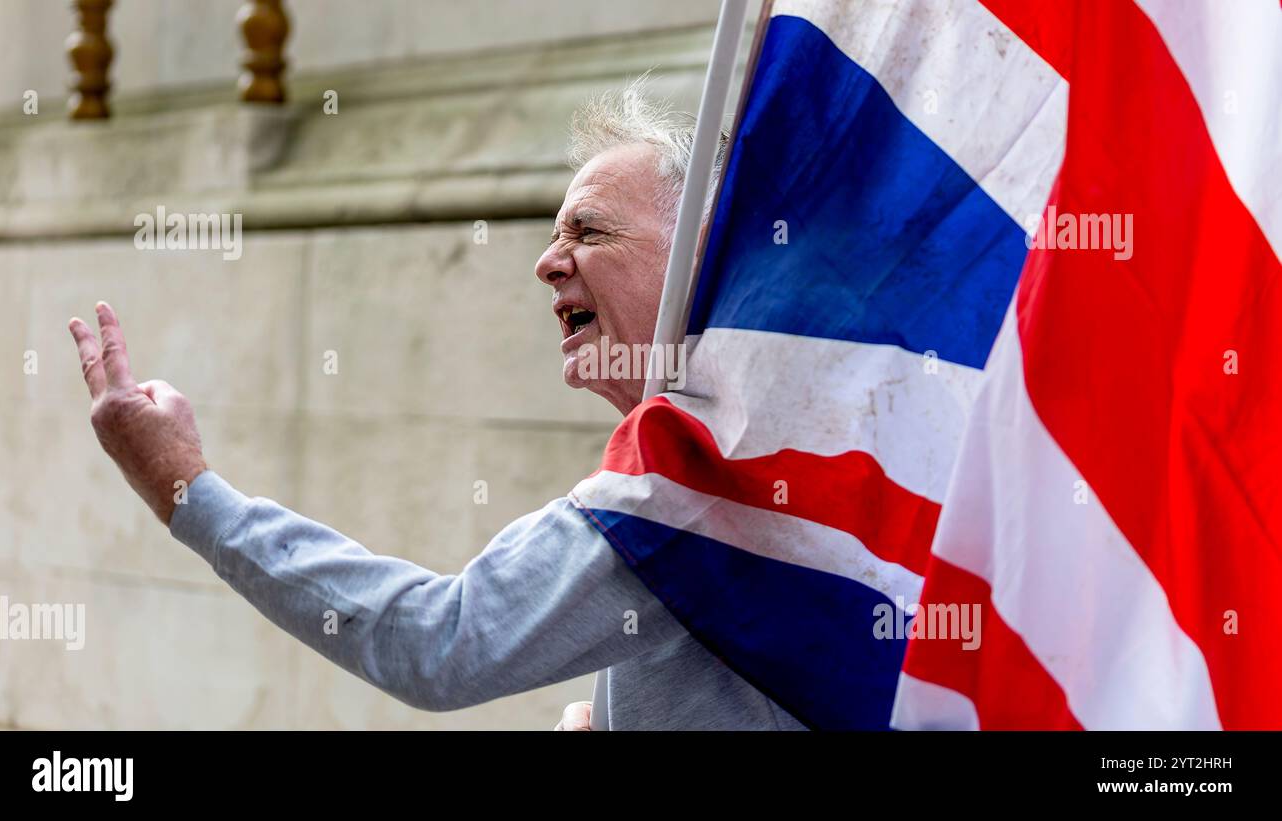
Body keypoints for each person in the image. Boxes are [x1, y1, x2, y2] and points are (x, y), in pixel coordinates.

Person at [67, 82, 807, 731]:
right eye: (554, 235)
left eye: (588, 231)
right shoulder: (772, 430)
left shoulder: (705, 457)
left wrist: (183, 486)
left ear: (702, 254)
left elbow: (437, 641)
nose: (546, 262)